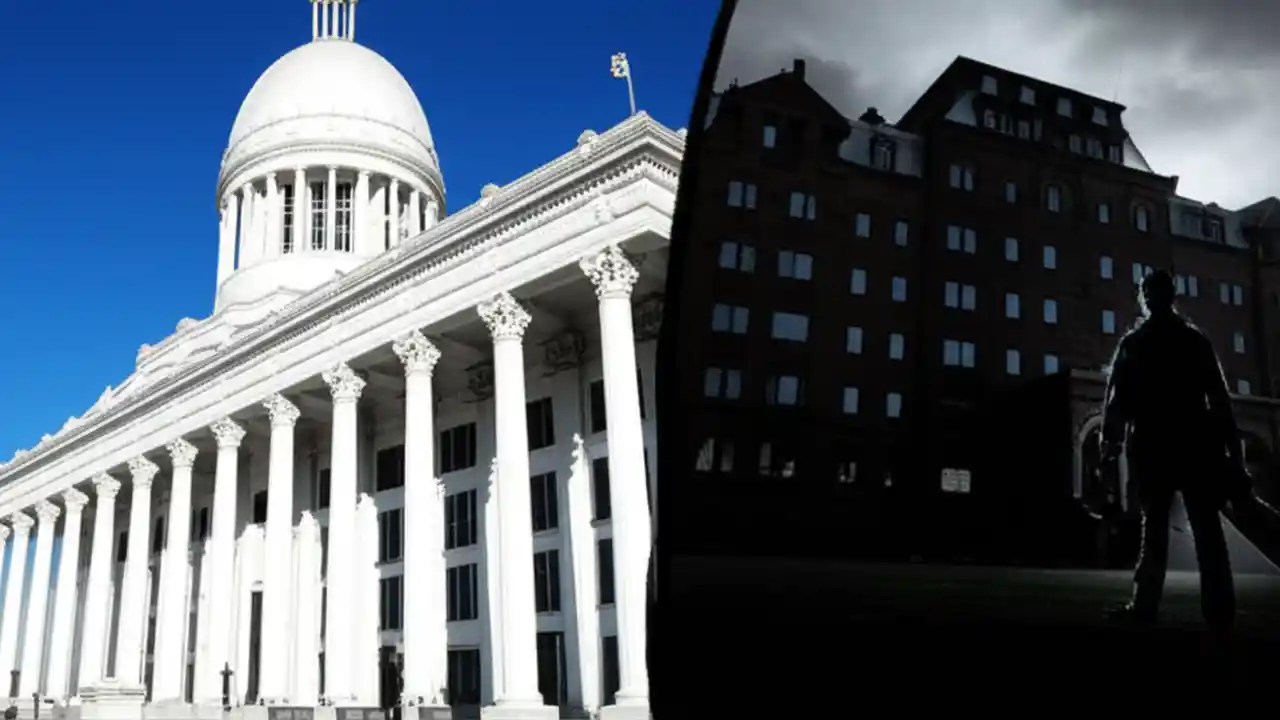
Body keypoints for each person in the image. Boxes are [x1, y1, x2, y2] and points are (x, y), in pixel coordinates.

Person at [1099, 269, 1246, 636]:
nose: (1149, 298)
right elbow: (1219, 399)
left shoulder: (1137, 343)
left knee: (1158, 532)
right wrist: (1235, 456)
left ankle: (1147, 605)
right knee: (1204, 530)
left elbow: (1118, 402)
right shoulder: (1192, 341)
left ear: (1151, 298)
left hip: (1156, 446)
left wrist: (1109, 448)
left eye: (1150, 292)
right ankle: (1219, 609)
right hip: (1192, 445)